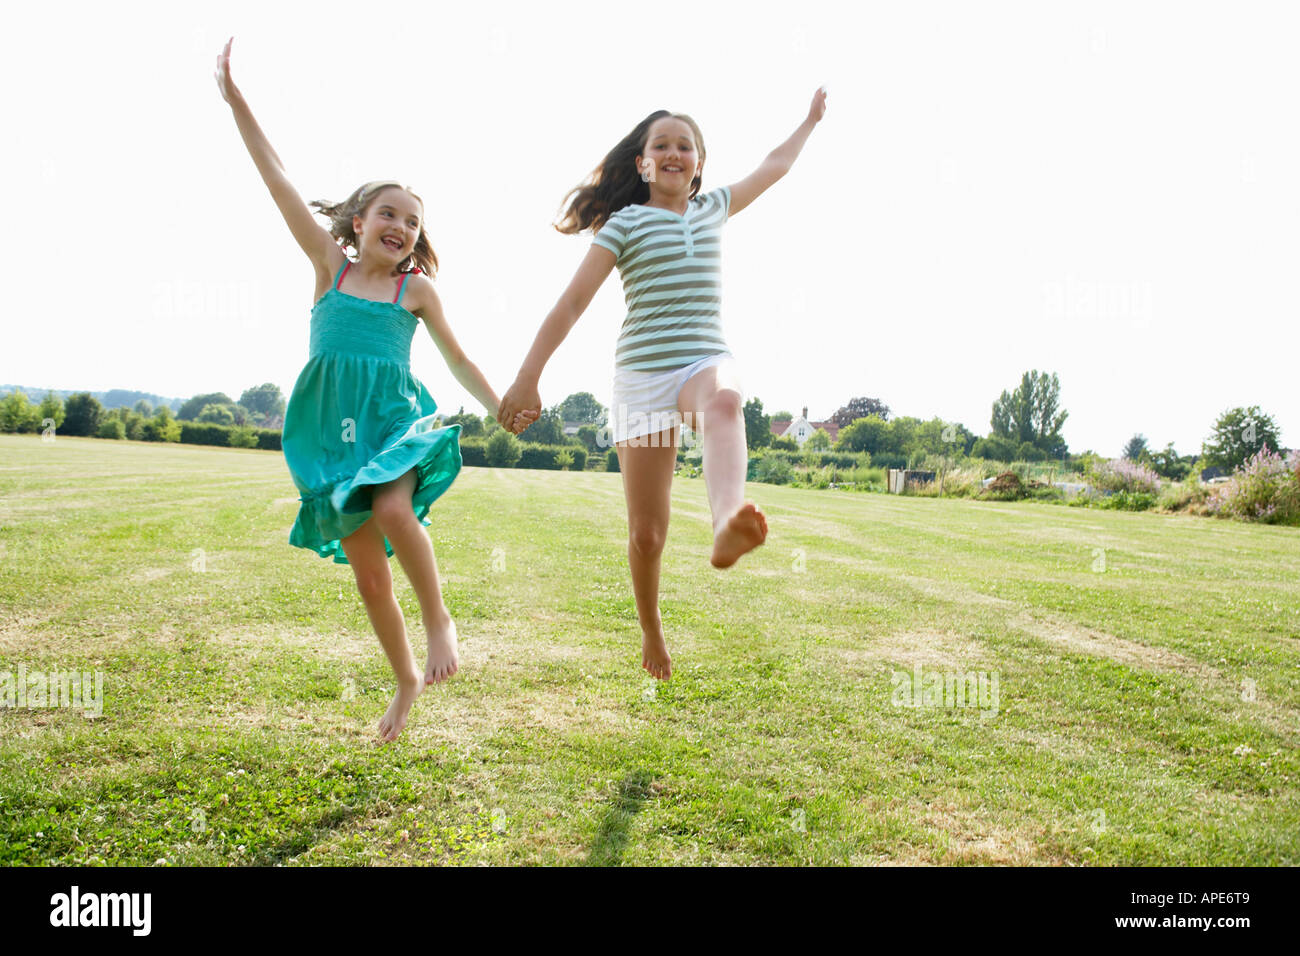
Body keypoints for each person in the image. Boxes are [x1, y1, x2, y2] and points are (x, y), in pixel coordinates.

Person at [215, 38, 536, 741]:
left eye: (413, 221)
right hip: (335, 434)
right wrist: (238, 100)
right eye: (389, 213)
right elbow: (278, 182)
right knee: (367, 581)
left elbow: (457, 360)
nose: (401, 226)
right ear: (358, 222)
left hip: (393, 422)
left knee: (395, 507)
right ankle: (405, 682)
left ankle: (440, 619)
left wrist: (501, 405)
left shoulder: (413, 290)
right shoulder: (328, 268)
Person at [498, 87, 828, 681]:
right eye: (662, 145)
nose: (674, 152)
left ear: (699, 163)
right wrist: (528, 377)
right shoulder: (623, 223)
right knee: (647, 534)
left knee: (726, 402)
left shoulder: (715, 207)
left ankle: (728, 519)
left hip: (702, 359)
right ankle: (651, 626)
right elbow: (572, 303)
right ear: (643, 163)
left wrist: (808, 121)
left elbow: (774, 167)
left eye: (686, 145)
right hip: (642, 379)